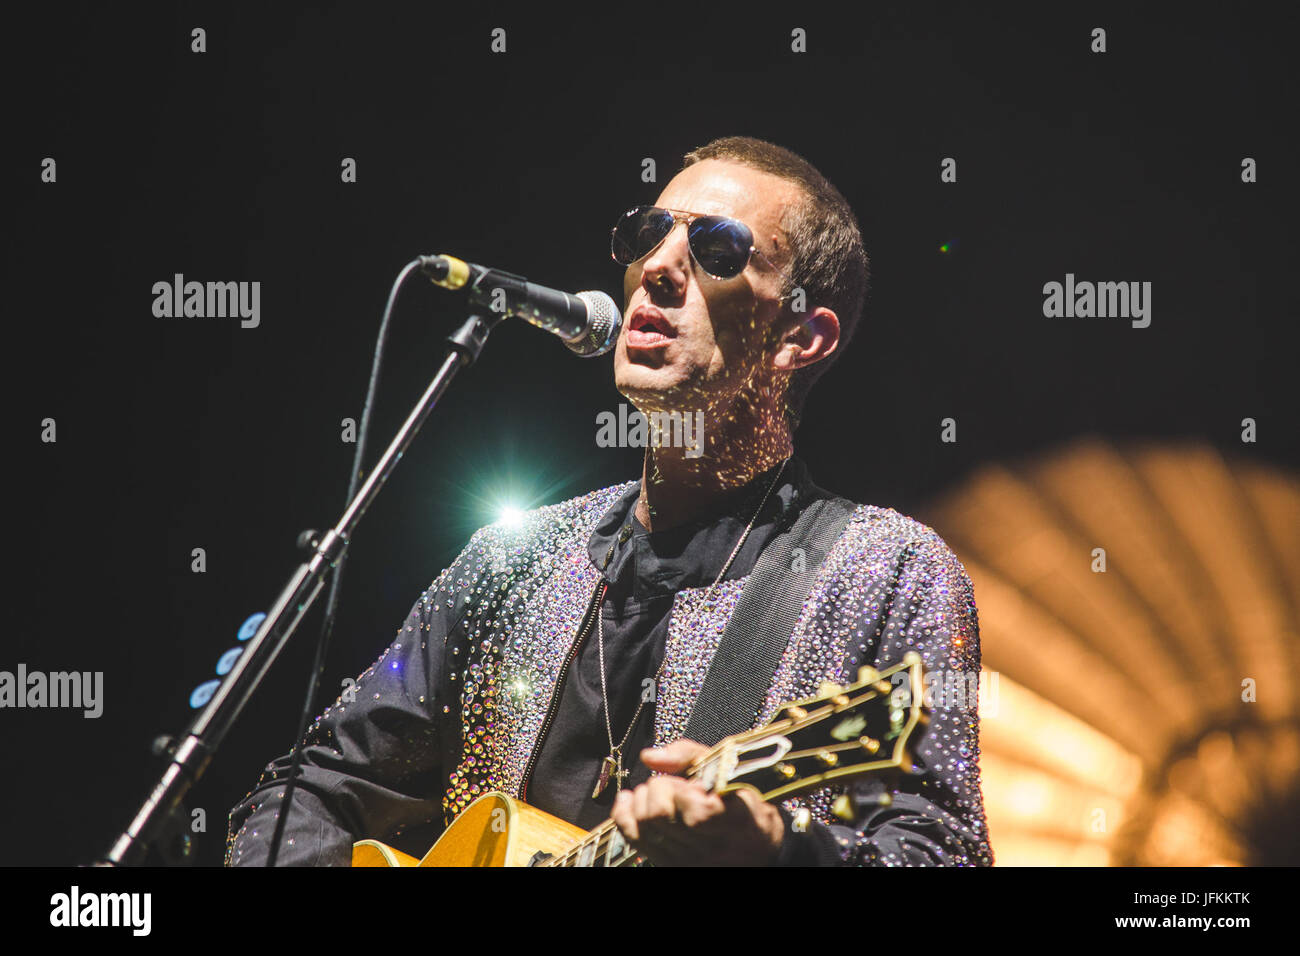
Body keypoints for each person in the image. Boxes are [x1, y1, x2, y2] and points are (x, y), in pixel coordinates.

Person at [225, 136, 994, 867]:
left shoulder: (885, 571)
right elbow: (308, 795)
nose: (658, 266)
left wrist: (779, 853)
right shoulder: (515, 560)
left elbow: (943, 853)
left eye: (717, 249)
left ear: (802, 336)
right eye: (648, 233)